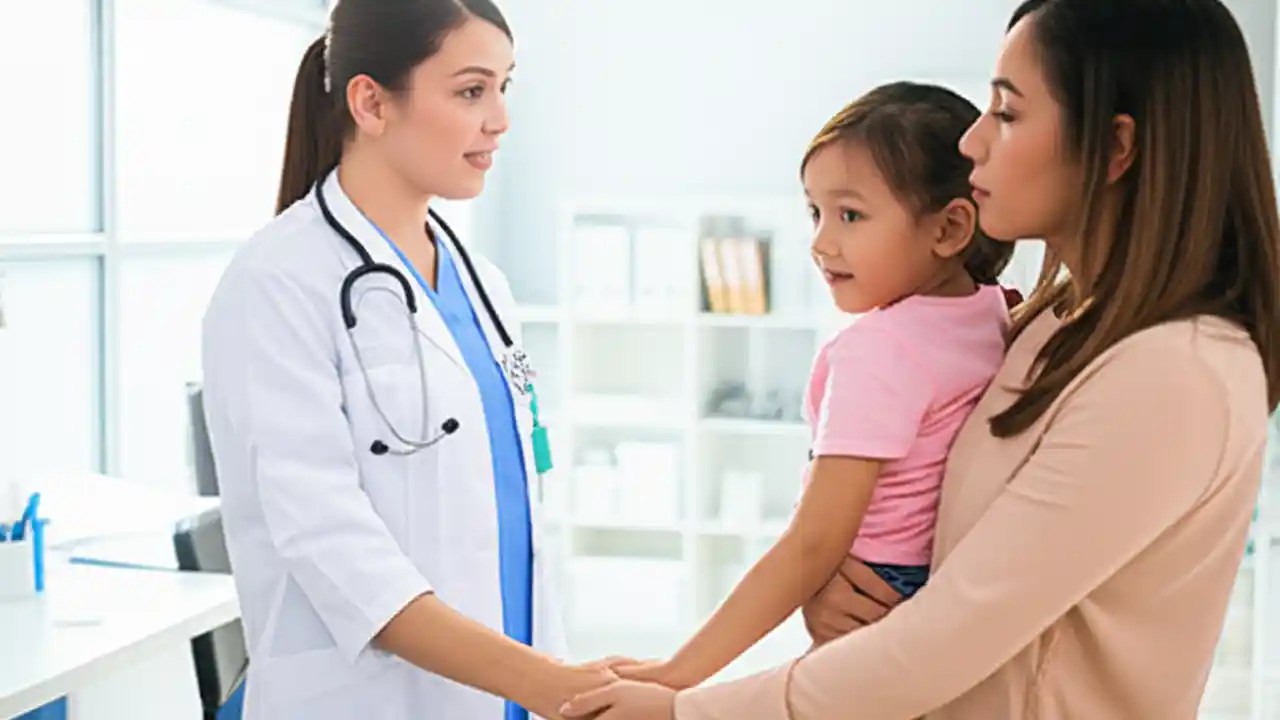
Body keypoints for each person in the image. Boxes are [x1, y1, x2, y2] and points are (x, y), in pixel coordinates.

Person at [560, 0, 1280, 717]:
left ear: (1115, 148)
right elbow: (963, 541)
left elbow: (955, 632)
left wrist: (683, 709)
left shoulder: (1173, 373)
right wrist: (847, 575)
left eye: (1006, 112)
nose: (972, 143)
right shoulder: (1050, 321)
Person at [200, 1, 613, 718]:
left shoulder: (483, 284)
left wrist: (548, 675)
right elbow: (335, 548)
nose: (499, 120)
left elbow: (508, 515)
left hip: (511, 689)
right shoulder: (276, 284)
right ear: (371, 102)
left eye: (504, 88)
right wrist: (547, 683)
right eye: (470, 90)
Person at [598, 82, 1017, 694]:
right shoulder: (996, 313)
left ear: (951, 228)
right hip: (943, 591)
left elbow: (815, 542)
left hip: (874, 592)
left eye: (850, 214)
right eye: (815, 213)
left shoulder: (878, 349)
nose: (821, 242)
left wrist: (677, 674)